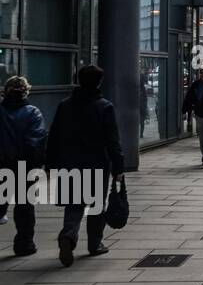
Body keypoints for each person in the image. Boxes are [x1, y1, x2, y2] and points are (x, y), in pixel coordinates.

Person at [45, 65, 124, 267]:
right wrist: (118, 167)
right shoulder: (104, 106)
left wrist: (51, 163)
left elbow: (54, 136)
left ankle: (68, 235)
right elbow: (112, 141)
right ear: (99, 82)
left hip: (70, 162)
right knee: (96, 205)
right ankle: (94, 243)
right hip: (96, 162)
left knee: (74, 204)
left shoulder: (65, 105)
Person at [0, 76, 47, 255]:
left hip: (2, 164)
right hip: (24, 167)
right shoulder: (32, 112)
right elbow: (36, 141)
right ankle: (24, 244)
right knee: (25, 207)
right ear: (26, 91)